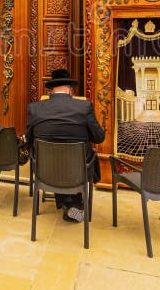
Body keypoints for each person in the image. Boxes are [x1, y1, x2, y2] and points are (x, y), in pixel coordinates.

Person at [26, 68, 105, 223]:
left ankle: (67, 202)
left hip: (45, 170)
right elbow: (99, 137)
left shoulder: (34, 108)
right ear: (70, 90)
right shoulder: (84, 107)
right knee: (70, 159)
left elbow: (28, 138)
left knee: (57, 158)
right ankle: (71, 203)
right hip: (78, 171)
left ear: (51, 90)